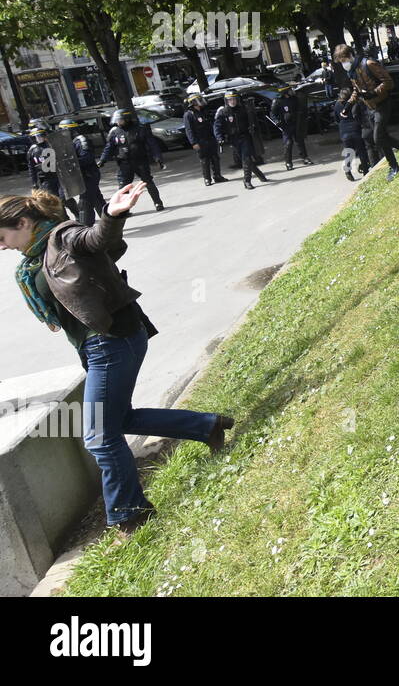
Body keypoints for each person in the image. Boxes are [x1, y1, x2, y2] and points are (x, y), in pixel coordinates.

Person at [0, 184, 234, 533]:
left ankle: (130, 513)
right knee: (118, 419)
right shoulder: (33, 259)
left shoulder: (62, 237)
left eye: (1, 236)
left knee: (97, 435)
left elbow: (96, 240)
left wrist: (113, 214)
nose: (0, 245)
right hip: (95, 346)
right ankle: (206, 426)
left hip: (111, 341)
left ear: (22, 222)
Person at [335, 43, 399, 181]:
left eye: (343, 61)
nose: (343, 64)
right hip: (371, 107)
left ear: (350, 56)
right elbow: (356, 89)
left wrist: (373, 92)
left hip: (382, 103)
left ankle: (395, 166)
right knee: (382, 137)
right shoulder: (353, 71)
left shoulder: (368, 64)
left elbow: (388, 82)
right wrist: (348, 105)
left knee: (378, 138)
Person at [97, 109, 165, 212]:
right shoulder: (114, 131)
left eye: (120, 120)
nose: (118, 122)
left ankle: (158, 203)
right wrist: (102, 160)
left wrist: (158, 157)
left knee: (148, 182)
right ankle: (125, 209)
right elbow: (109, 147)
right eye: (117, 120)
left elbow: (152, 144)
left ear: (127, 119)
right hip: (124, 163)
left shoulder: (140, 129)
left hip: (140, 161)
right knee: (124, 187)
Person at [213, 91, 269, 189]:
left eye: (234, 99)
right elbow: (217, 126)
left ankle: (247, 181)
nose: (232, 101)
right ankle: (260, 175)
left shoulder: (243, 109)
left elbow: (252, 121)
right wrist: (219, 137)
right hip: (233, 139)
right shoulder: (223, 112)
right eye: (230, 99)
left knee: (246, 158)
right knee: (245, 160)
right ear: (226, 100)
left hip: (245, 137)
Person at [59, 117, 107, 223]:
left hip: (89, 174)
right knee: (96, 199)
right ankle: (109, 221)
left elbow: (87, 158)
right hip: (80, 175)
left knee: (85, 203)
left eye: (63, 131)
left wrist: (69, 163)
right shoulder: (70, 142)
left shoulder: (81, 140)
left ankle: (85, 227)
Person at [182, 94, 227, 186]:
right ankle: (207, 178)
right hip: (200, 141)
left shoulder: (204, 111)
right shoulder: (189, 114)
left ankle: (217, 176)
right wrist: (193, 142)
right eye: (199, 100)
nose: (201, 102)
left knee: (215, 158)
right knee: (205, 160)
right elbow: (189, 130)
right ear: (193, 102)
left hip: (210, 138)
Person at [270, 85, 313, 170]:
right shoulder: (277, 101)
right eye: (290, 89)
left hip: (296, 123)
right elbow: (272, 114)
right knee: (288, 143)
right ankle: (288, 162)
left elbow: (299, 109)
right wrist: (276, 121)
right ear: (285, 92)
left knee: (300, 141)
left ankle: (305, 158)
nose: (292, 91)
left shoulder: (294, 98)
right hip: (285, 126)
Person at [333, 87, 371, 181]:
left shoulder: (337, 104)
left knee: (349, 151)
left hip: (344, 131)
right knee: (361, 150)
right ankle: (366, 171)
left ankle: (347, 170)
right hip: (356, 129)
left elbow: (336, 119)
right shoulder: (355, 103)